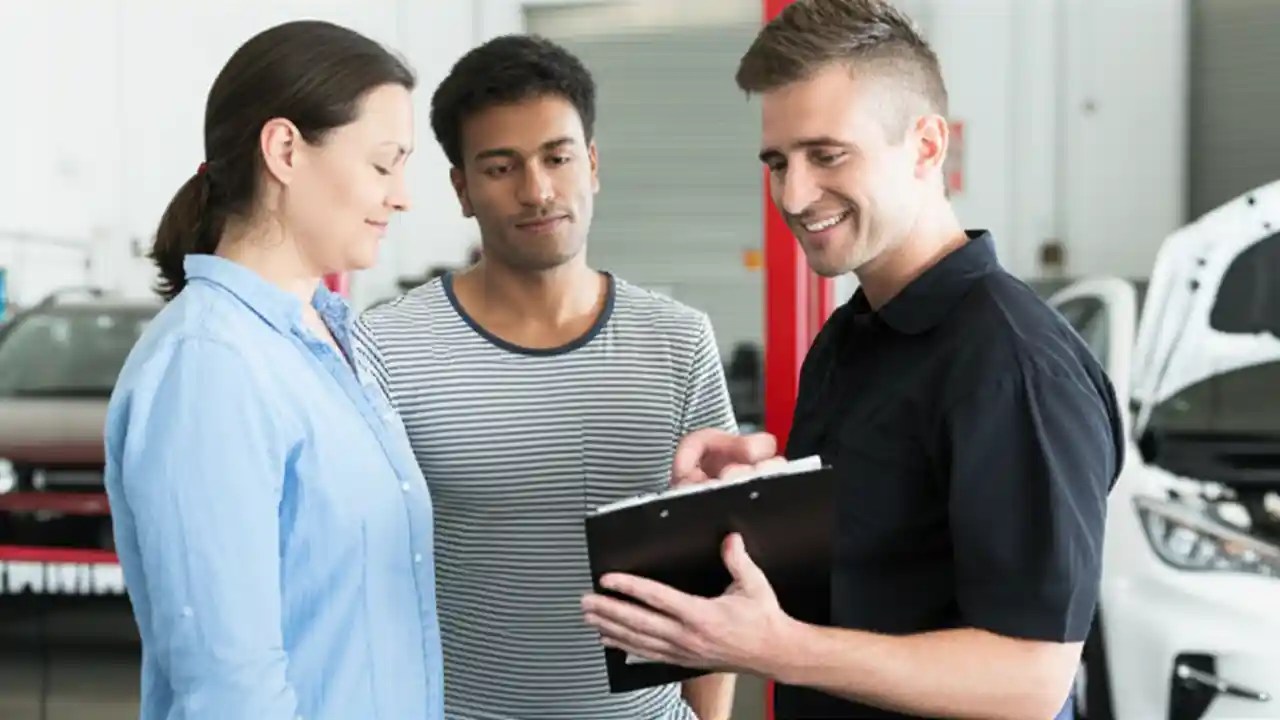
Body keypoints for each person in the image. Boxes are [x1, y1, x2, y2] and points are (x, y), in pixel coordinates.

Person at [581, 1, 1125, 719]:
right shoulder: (851, 336)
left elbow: (1028, 679)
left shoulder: (1012, 366)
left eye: (827, 155)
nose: (795, 195)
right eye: (778, 162)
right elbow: (882, 565)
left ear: (927, 146)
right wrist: (736, 509)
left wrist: (776, 650)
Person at [353, 34, 737, 720]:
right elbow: (363, 576)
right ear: (462, 189)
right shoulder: (387, 347)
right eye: (500, 168)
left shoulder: (679, 342)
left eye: (556, 158)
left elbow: (719, 571)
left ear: (591, 164)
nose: (537, 191)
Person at [102, 20, 444, 720]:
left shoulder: (327, 341)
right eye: (384, 164)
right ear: (285, 149)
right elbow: (231, 688)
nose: (403, 195)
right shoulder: (211, 368)